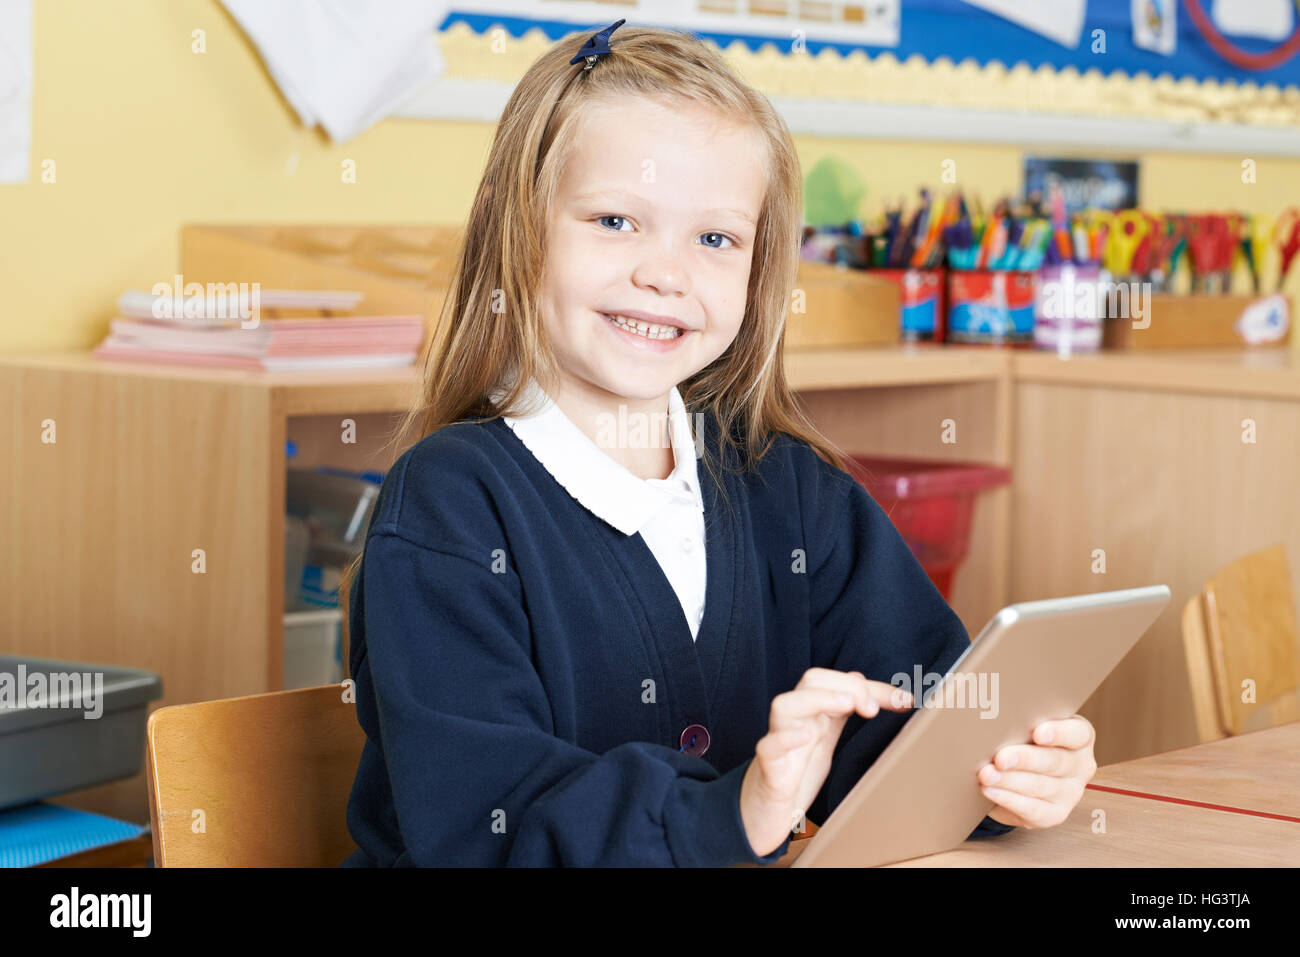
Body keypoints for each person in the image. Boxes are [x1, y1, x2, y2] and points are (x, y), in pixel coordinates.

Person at [340, 20, 1097, 867]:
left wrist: (1001, 772)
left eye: (715, 239)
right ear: (514, 227)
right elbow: (487, 822)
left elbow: (907, 718)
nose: (666, 274)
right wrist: (731, 810)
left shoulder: (790, 489)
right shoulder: (447, 508)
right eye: (616, 220)